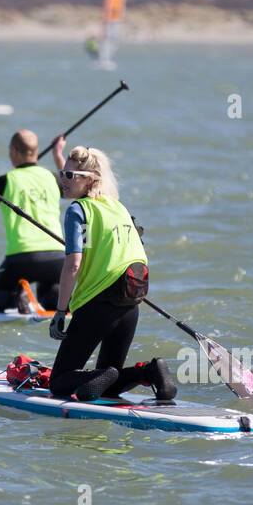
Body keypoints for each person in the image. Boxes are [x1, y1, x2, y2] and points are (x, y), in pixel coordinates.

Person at [46, 145, 177, 402]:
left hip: (97, 304)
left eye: (71, 176)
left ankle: (99, 377)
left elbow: (73, 264)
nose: (63, 180)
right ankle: (151, 372)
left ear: (90, 180)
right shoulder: (119, 208)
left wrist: (60, 311)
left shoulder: (78, 210)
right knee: (109, 379)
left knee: (59, 382)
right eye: (62, 173)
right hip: (130, 303)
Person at [0, 130, 67, 314]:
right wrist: (57, 154)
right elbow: (70, 185)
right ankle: (55, 300)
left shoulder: (5, 181)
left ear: (14, 151)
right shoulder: (53, 178)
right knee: (52, 293)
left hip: (22, 258)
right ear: (36, 152)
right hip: (57, 258)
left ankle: (17, 298)